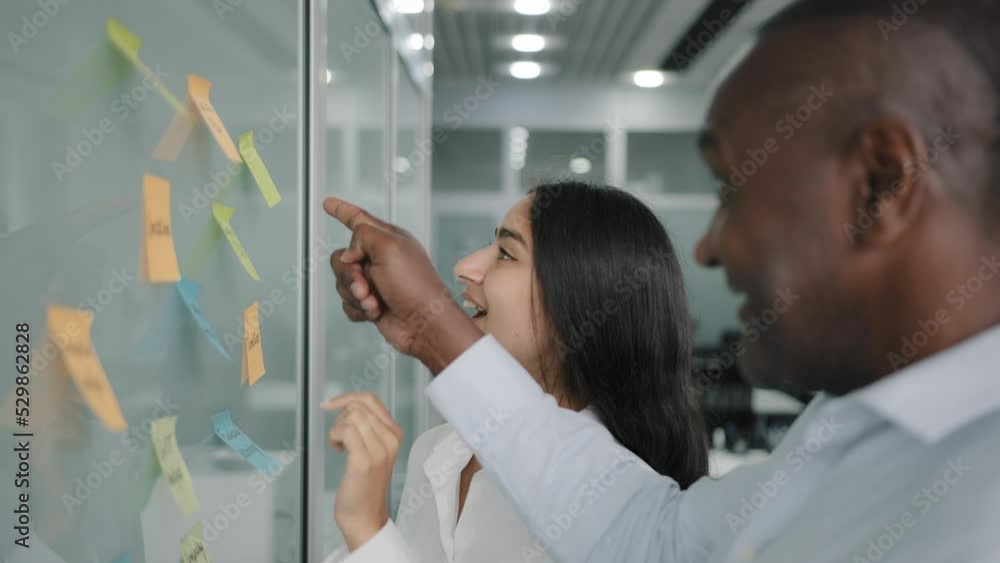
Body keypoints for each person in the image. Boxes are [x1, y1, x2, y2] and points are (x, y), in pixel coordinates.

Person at [325, 1, 1000, 561]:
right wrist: (429, 324)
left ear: (880, 184)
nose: (707, 248)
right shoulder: (845, 430)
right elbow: (651, 538)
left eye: (738, 188)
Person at [321, 182, 708, 562]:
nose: (464, 268)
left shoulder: (611, 504)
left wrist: (368, 529)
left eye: (506, 253)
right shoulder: (439, 452)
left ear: (580, 300)